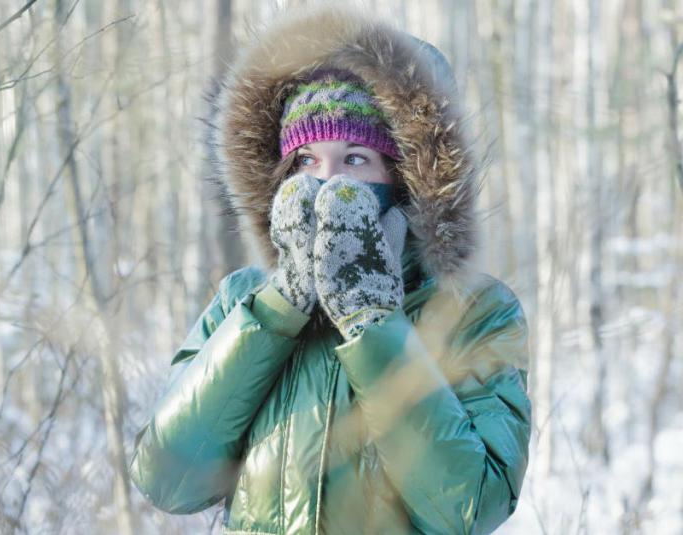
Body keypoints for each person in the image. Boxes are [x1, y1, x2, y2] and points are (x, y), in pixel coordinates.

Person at [128, 3, 532, 534]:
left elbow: (470, 509)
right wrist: (277, 310)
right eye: (305, 162)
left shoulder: (474, 311)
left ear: (405, 175)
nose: (325, 183)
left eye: (355, 160)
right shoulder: (243, 302)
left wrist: (372, 321)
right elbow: (168, 481)